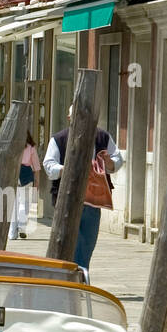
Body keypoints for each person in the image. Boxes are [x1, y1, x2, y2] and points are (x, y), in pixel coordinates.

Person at [44, 105, 123, 272]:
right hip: (66, 200)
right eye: (78, 117)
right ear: (70, 119)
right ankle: (74, 278)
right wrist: (65, 168)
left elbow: (117, 159)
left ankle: (81, 276)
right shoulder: (59, 139)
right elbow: (49, 165)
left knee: (87, 244)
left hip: (93, 201)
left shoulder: (102, 136)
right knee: (67, 242)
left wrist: (110, 163)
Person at [11, 132, 42, 241]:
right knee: (25, 202)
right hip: (26, 173)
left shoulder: (11, 145)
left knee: (14, 204)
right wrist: (37, 182)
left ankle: (12, 233)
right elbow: (36, 166)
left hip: (14, 171)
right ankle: (22, 227)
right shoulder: (31, 147)